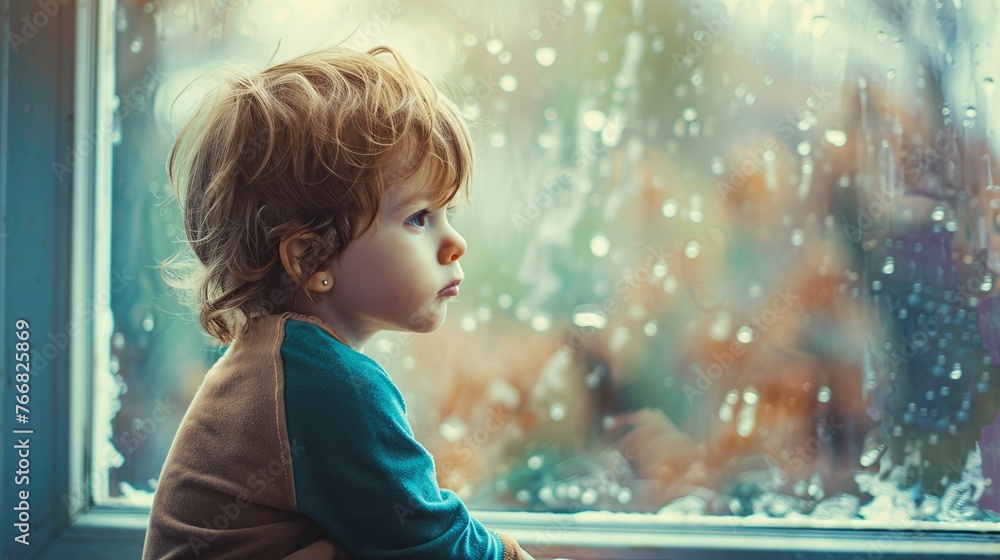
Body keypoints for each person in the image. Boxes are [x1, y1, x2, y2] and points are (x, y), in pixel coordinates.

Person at [143, 45, 535, 560]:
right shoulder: (326, 384)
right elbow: (432, 542)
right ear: (311, 260)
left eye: (448, 212)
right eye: (419, 217)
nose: (454, 242)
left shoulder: (280, 360)